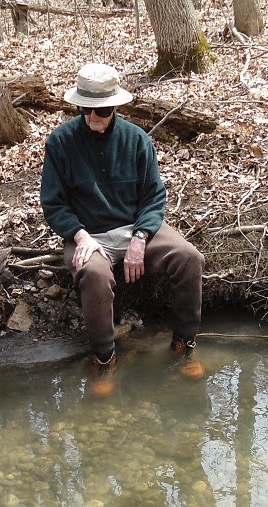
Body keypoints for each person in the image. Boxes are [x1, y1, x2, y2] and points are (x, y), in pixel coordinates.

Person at [41, 63, 205, 397]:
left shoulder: (136, 140)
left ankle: (184, 346)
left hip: (136, 226)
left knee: (190, 258)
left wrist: (141, 237)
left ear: (114, 106)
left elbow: (154, 196)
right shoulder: (60, 143)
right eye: (84, 110)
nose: (91, 118)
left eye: (99, 112)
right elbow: (54, 204)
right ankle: (104, 360)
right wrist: (79, 235)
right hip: (88, 234)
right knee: (96, 276)